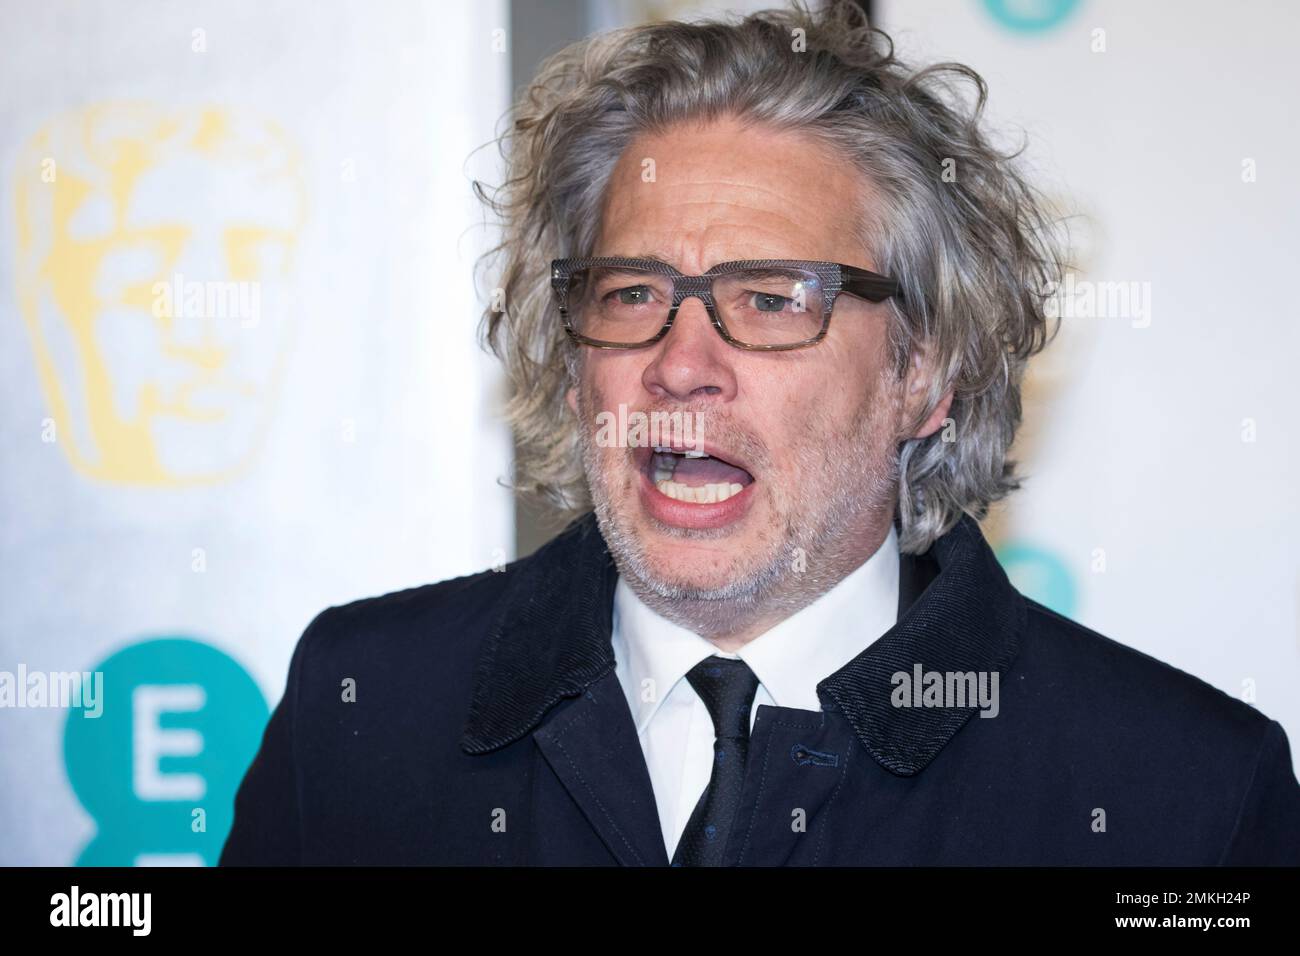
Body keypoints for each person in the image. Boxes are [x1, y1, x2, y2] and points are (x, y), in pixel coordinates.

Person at [220, 1, 1300, 866]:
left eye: (774, 298)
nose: (680, 363)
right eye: (634, 291)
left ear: (923, 375)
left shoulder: (1178, 789)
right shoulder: (364, 707)